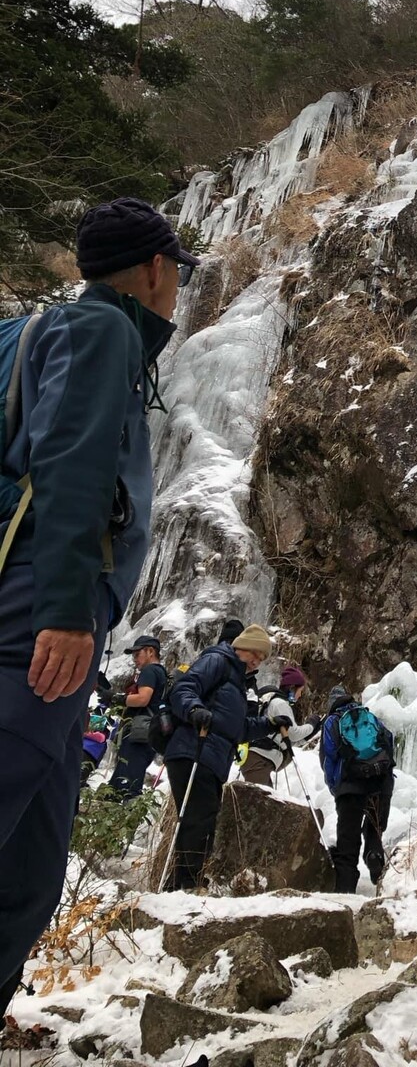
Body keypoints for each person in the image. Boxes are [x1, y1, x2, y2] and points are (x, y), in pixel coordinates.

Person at [0, 198, 197, 1016]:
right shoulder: (104, 330)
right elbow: (73, 459)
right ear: (154, 270)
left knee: (31, 871)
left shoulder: (21, 332)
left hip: (32, 608)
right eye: (177, 272)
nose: (179, 287)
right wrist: (67, 610)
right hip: (34, 623)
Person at [163, 624, 272, 890]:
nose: (256, 660)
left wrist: (269, 724)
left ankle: (184, 882)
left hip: (213, 757)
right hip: (193, 749)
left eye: (262, 657)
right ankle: (184, 885)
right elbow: (184, 688)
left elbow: (238, 729)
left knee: (204, 819)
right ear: (240, 646)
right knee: (197, 818)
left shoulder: (237, 682)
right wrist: (194, 709)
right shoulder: (217, 661)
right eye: (253, 652)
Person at [320, 685, 394, 892]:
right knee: (374, 828)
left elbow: (328, 759)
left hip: (350, 788)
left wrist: (336, 789)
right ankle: (374, 855)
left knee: (348, 841)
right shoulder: (368, 716)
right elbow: (388, 741)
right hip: (380, 782)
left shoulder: (332, 722)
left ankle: (345, 891)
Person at [108, 635, 167, 800]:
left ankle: (126, 822)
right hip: (150, 733)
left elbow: (143, 698)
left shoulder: (149, 671)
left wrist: (117, 698)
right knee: (122, 782)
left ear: (150, 651)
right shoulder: (162, 673)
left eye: (137, 654)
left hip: (138, 733)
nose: (134, 659)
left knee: (128, 784)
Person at [241, 664, 318, 788]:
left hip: (257, 759)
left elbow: (285, 738)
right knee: (258, 802)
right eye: (300, 691)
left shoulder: (274, 702)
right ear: (292, 688)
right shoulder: (280, 704)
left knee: (263, 801)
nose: (300, 696)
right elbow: (293, 733)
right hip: (259, 760)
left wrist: (306, 738)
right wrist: (312, 724)